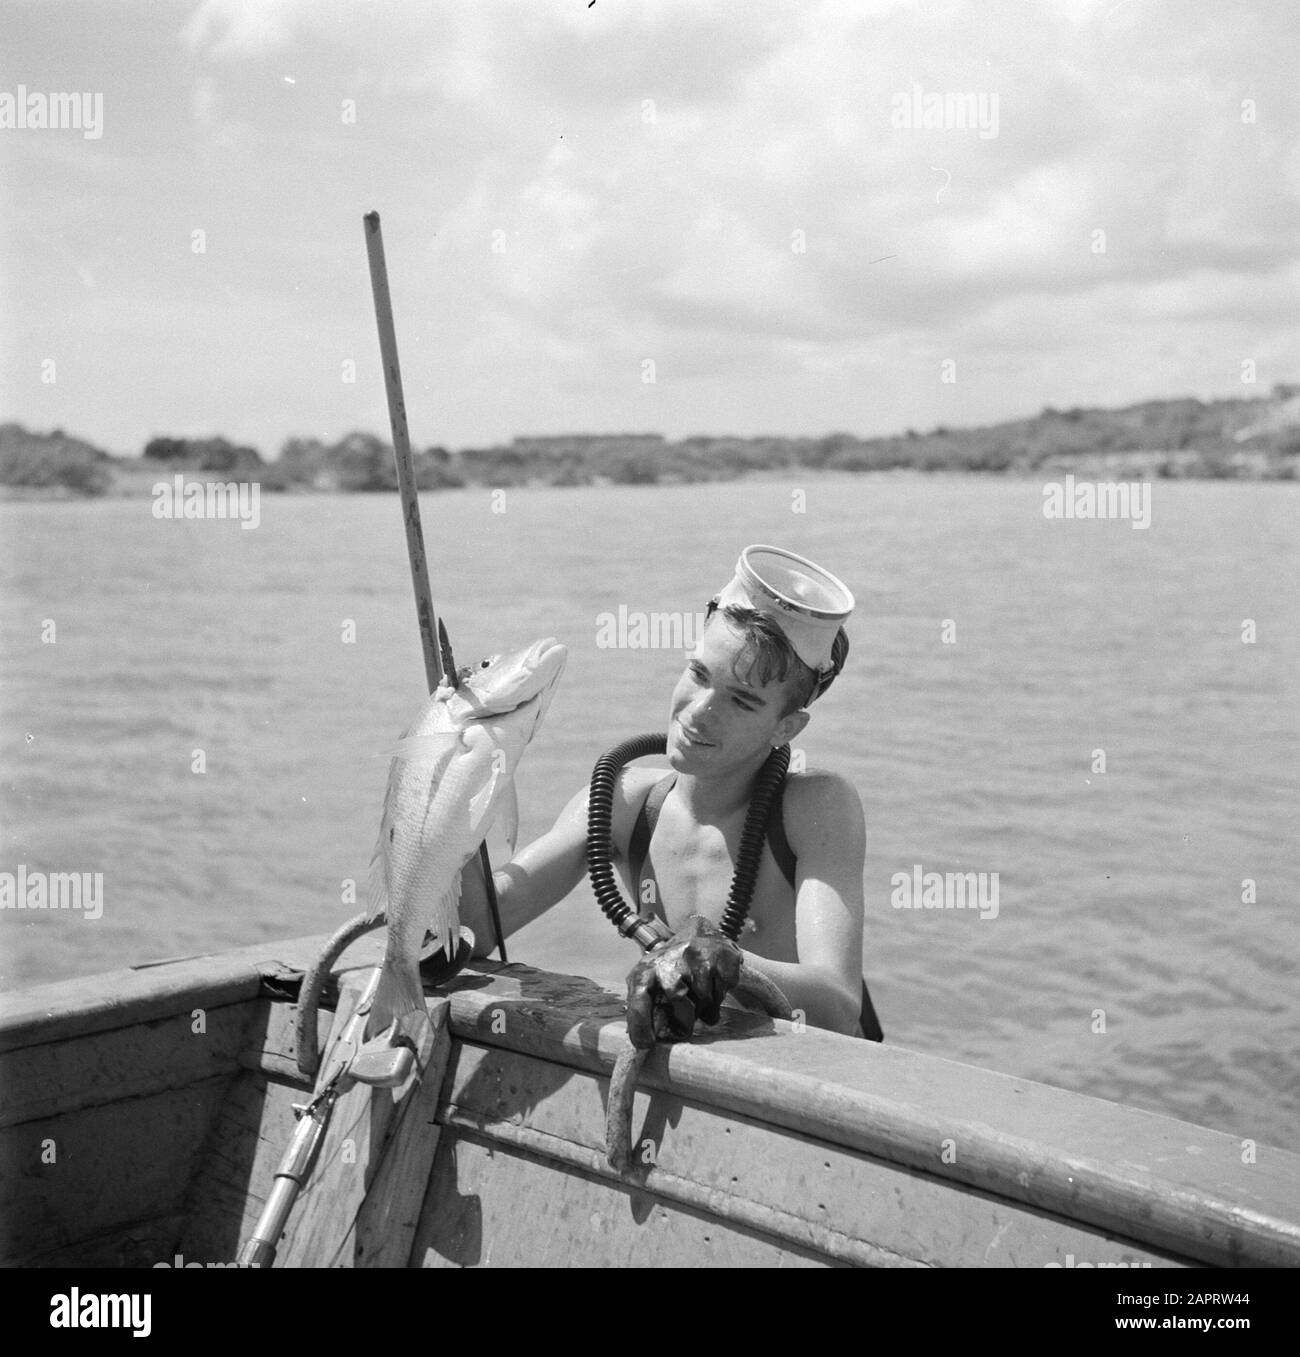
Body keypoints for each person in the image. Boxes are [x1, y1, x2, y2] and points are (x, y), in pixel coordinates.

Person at [457, 545, 882, 1041]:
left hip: (804, 1085)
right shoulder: (622, 803)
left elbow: (837, 1006)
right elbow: (476, 931)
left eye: (742, 701)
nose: (699, 711)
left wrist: (730, 964)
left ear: (786, 727)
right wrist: (461, 786)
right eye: (699, 675)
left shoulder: (816, 808)